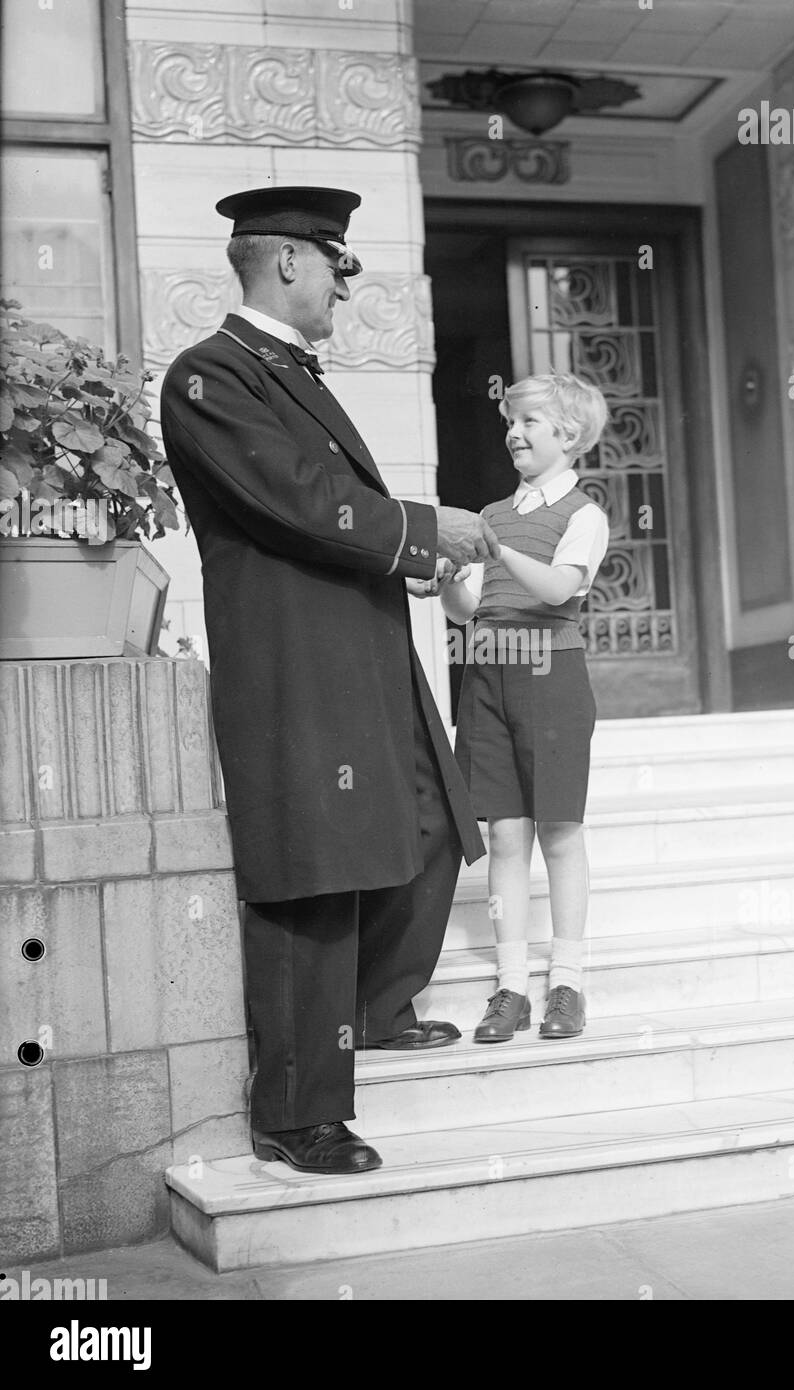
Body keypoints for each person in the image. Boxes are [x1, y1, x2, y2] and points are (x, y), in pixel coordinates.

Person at [159, 185, 500, 1176]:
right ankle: (297, 1113)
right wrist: (423, 528)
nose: (346, 288)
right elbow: (305, 503)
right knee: (312, 869)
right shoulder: (209, 376)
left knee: (434, 819)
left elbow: (332, 510)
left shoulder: (279, 370)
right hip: (294, 664)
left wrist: (413, 556)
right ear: (292, 263)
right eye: (338, 266)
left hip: (359, 644)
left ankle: (375, 1008)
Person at [437, 373, 610, 1043]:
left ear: (567, 436)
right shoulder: (492, 516)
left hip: (551, 678)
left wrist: (495, 548)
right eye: (510, 421)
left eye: (529, 421)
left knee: (558, 830)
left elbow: (558, 589)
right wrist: (455, 577)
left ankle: (566, 980)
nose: (513, 431)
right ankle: (509, 986)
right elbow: (469, 607)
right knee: (505, 834)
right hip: (489, 677)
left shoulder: (582, 517)